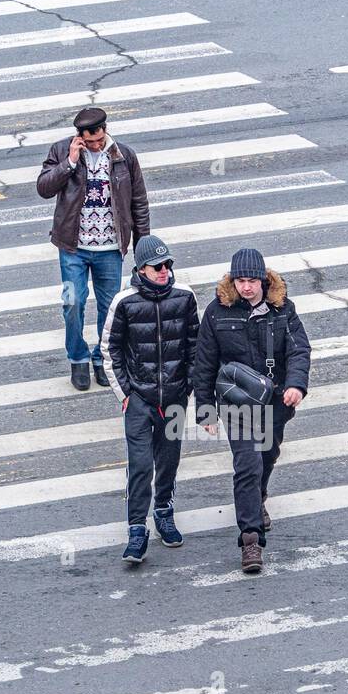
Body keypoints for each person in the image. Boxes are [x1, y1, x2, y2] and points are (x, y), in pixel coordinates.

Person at [192, 248, 311, 573]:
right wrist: (205, 409)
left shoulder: (283, 309)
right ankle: (251, 540)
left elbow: (299, 349)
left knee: (267, 455)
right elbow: (204, 363)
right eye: (240, 280)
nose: (246, 287)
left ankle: (258, 497)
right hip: (236, 403)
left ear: (263, 279)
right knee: (247, 464)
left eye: (252, 280)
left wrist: (296, 385)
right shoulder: (217, 312)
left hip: (275, 401)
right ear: (233, 281)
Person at [100, 235, 200, 564]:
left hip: (173, 398)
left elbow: (195, 345)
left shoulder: (185, 297)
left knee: (168, 461)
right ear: (141, 269)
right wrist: (125, 394)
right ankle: (136, 528)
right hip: (139, 401)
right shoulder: (124, 302)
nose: (164, 270)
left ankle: (164, 511)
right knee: (141, 466)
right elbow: (108, 349)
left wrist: (187, 386)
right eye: (157, 266)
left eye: (168, 264)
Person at [36, 107, 151, 391]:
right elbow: (44, 187)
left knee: (109, 309)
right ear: (80, 137)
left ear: (105, 129)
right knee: (72, 304)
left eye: (99, 139)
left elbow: (139, 202)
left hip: (111, 248)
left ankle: (102, 359)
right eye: (90, 142)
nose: (96, 145)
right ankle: (77, 358)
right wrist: (70, 163)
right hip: (73, 246)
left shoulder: (124, 156)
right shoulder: (62, 150)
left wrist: (143, 250)